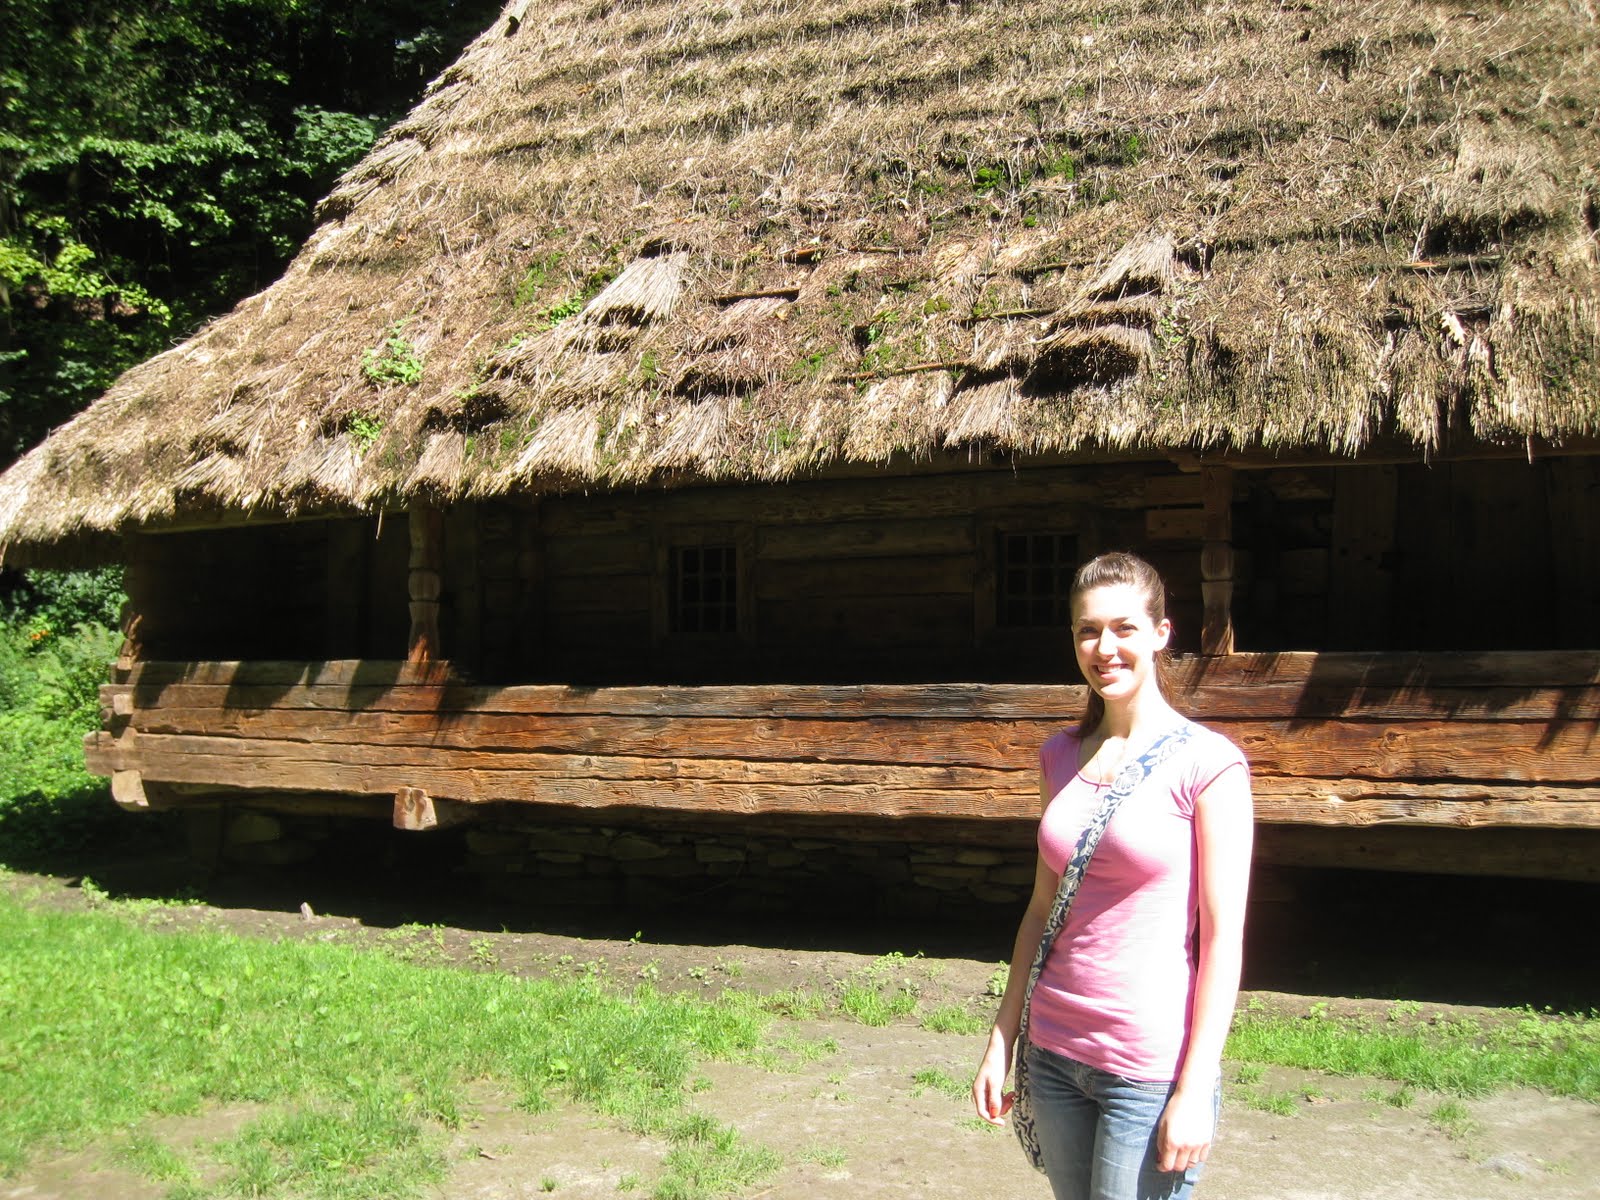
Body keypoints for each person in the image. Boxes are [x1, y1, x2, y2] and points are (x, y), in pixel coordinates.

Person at [971, 551, 1254, 1200]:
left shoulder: (1209, 765)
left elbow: (1222, 940)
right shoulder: (1060, 756)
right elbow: (1041, 909)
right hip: (1052, 1052)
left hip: (1146, 1066)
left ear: (1160, 633)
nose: (1105, 648)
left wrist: (1194, 1087)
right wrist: (1002, 1039)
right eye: (1088, 630)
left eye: (1124, 628)